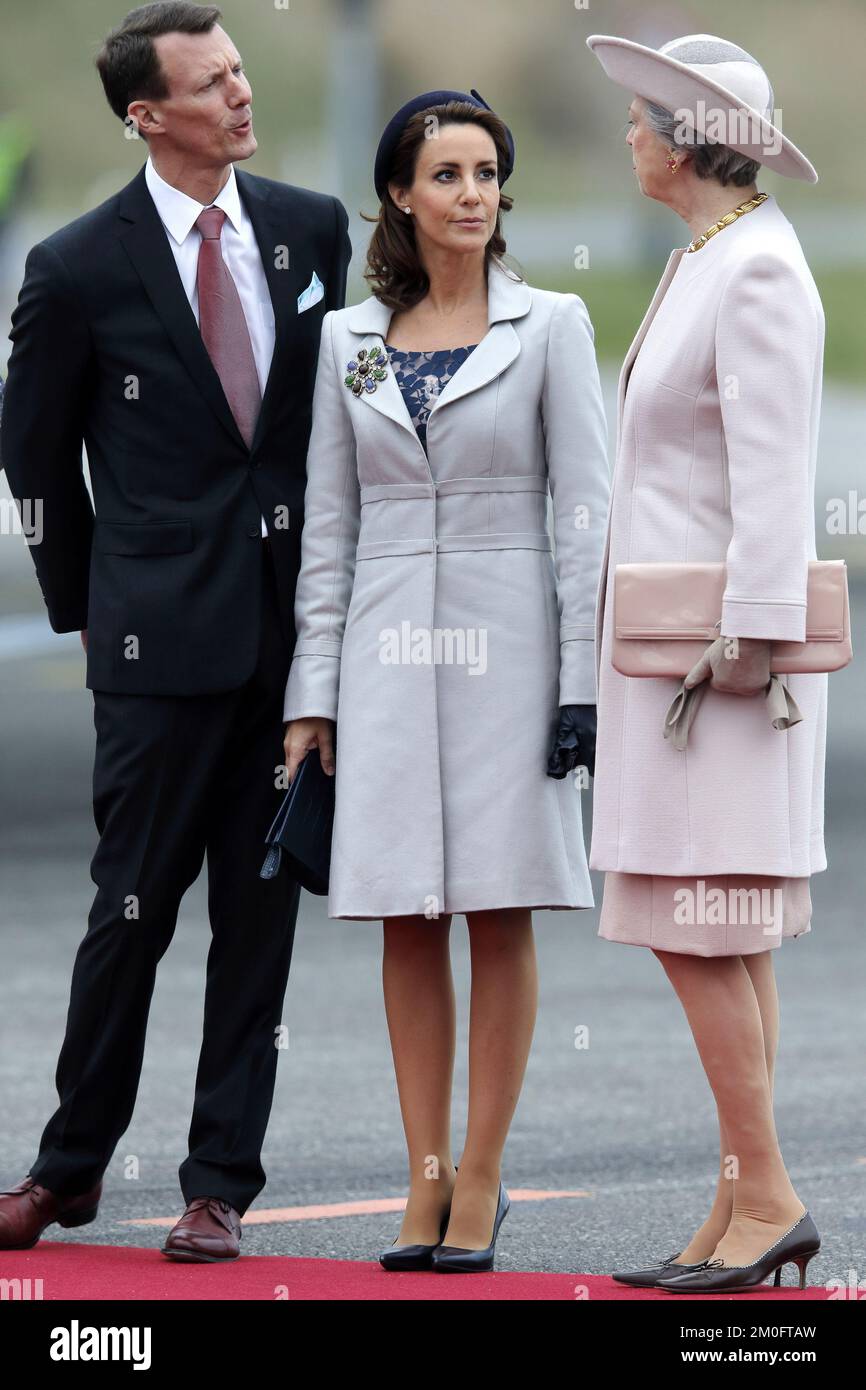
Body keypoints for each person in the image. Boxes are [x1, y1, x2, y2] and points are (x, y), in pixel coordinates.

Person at [0, 1, 350, 1263]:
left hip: (290, 643)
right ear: (148, 114)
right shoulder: (78, 265)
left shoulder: (312, 230)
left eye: (242, 71)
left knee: (258, 925)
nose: (240, 96)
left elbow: (321, 436)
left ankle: (217, 1188)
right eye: (211, 84)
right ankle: (67, 1171)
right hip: (153, 653)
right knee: (130, 916)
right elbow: (32, 458)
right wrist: (92, 612)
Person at [282, 89, 609, 1273]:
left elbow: (585, 517)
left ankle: (479, 1177)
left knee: (495, 904)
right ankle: (420, 1181)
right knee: (401, 917)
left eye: (486, 173)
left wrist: (581, 684)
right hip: (378, 649)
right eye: (447, 175)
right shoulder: (347, 341)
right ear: (400, 197)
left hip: (510, 646)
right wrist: (308, 697)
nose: (471, 194)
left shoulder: (553, 325)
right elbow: (330, 525)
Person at [585, 33, 826, 1292]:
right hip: (686, 665)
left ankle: (768, 1196)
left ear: (684, 138)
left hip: (719, 673)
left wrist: (742, 645)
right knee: (722, 932)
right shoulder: (712, 257)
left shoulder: (756, 271)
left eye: (637, 118)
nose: (626, 134)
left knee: (698, 926)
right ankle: (739, 1204)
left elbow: (776, 483)